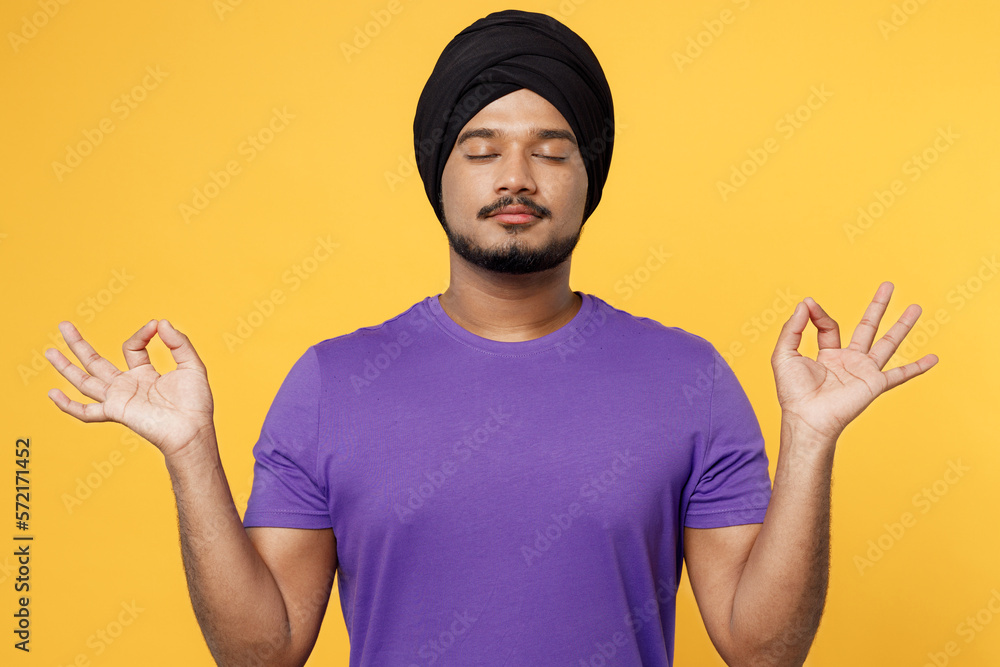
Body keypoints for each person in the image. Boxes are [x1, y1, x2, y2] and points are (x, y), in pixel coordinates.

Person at [44, 9, 938, 666]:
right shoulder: (331, 382)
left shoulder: (688, 377)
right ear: (439, 174)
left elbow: (762, 648)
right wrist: (192, 452)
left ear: (591, 177)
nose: (517, 177)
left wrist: (811, 441)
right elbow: (263, 650)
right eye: (481, 148)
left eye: (552, 149)